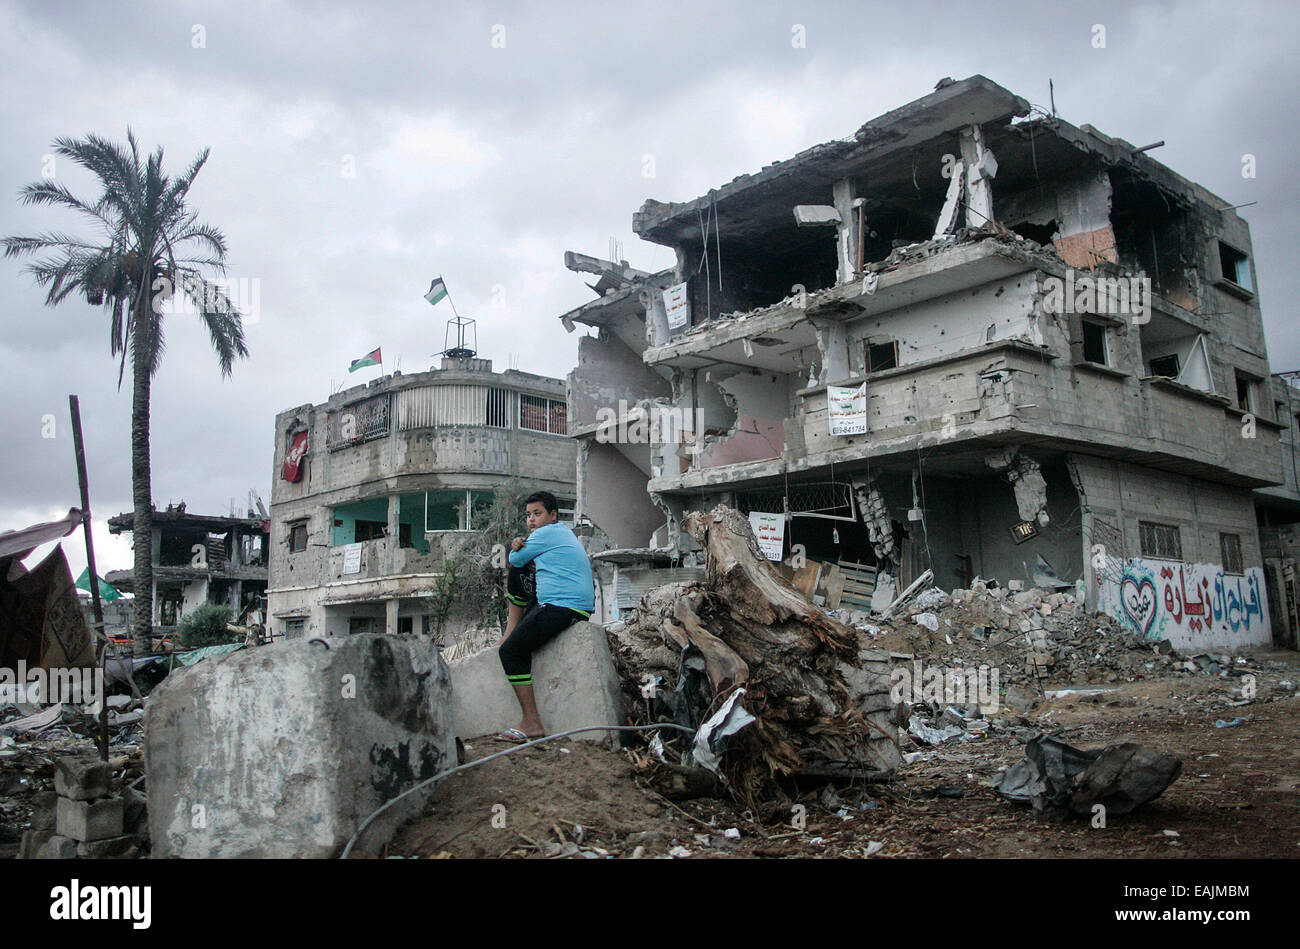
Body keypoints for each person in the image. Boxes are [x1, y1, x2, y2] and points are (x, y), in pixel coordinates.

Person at [495, 491, 594, 741]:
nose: (531, 520)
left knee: (510, 652)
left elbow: (515, 559)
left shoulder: (546, 533)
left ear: (553, 515)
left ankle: (531, 722)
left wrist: (517, 545)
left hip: (561, 606)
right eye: (528, 515)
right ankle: (511, 631)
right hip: (573, 607)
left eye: (537, 514)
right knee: (521, 579)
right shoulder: (562, 533)